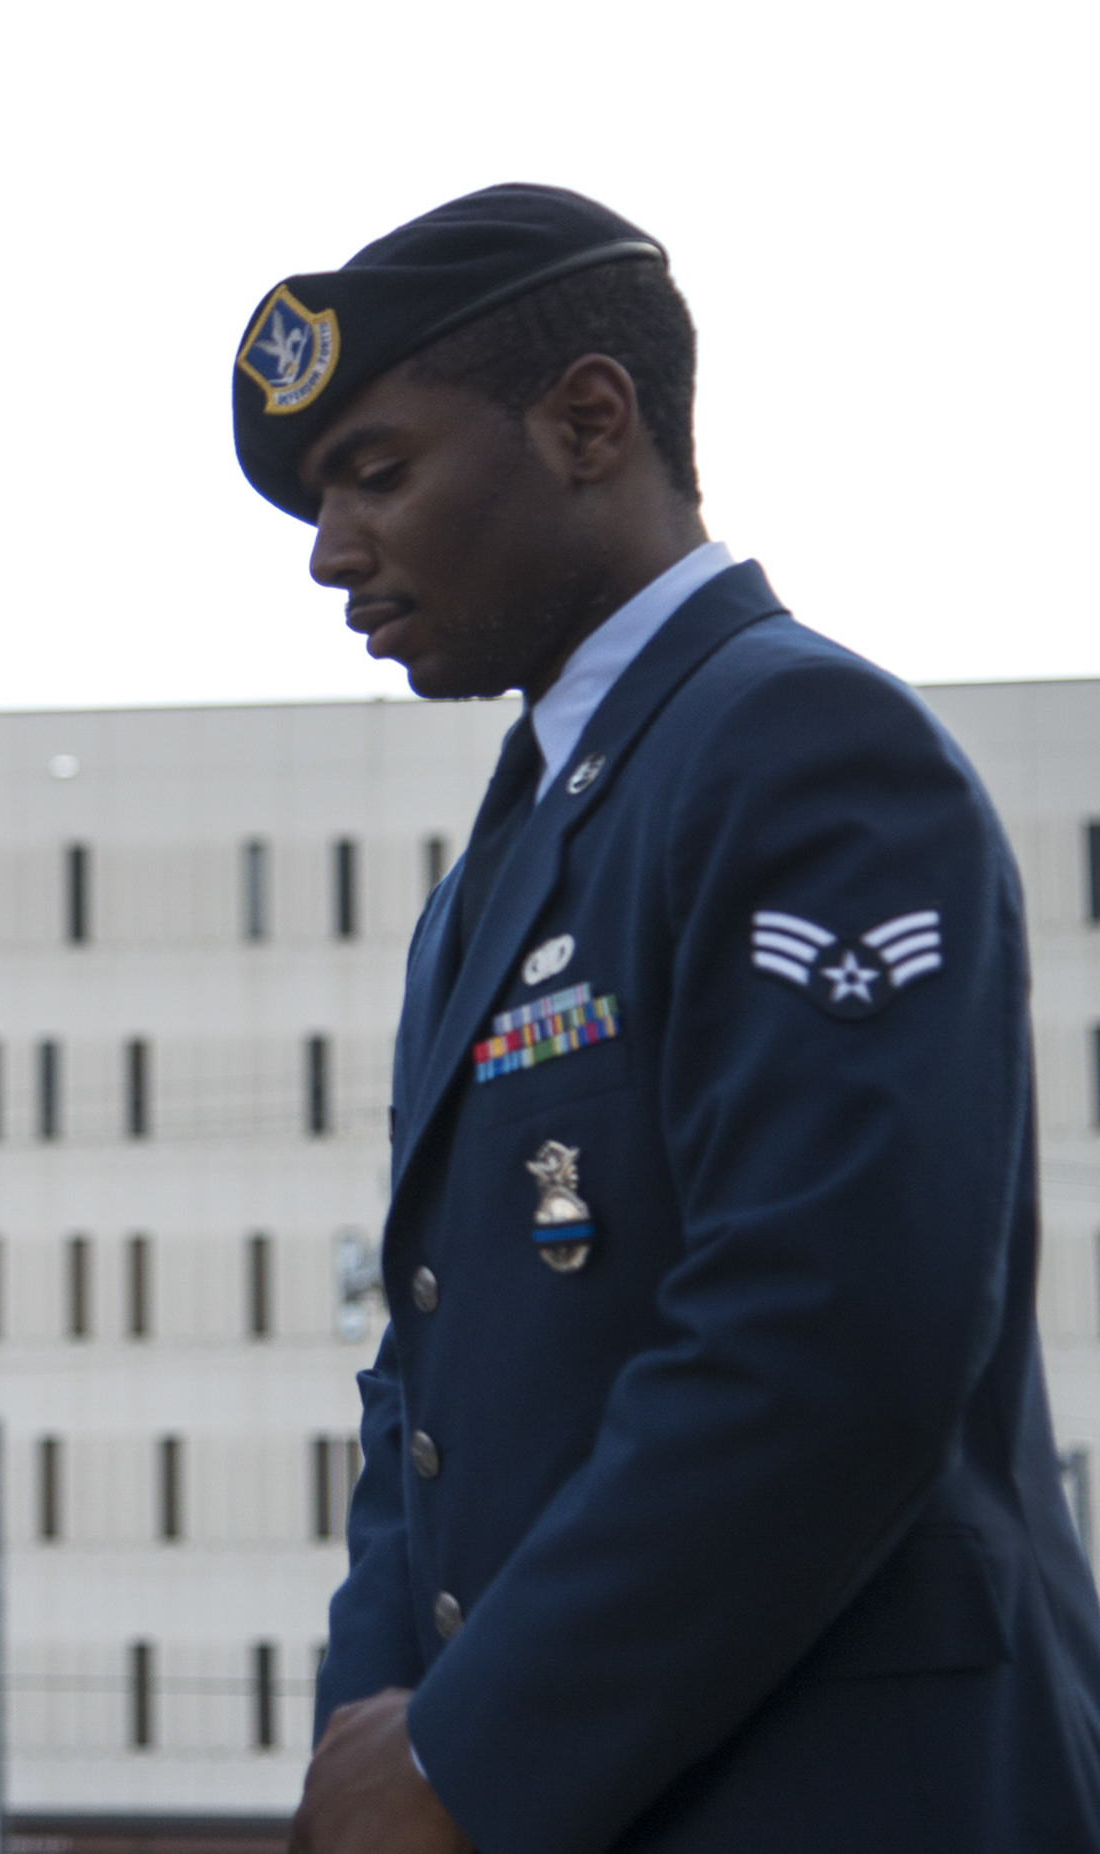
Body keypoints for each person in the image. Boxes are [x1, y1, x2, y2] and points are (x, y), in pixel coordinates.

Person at [231, 184, 1100, 1853]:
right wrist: (372, 1736)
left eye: (378, 471)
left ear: (588, 420)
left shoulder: (807, 753)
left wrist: (465, 1754)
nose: (334, 549)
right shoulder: (496, 875)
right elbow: (425, 1378)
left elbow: (832, 1339)